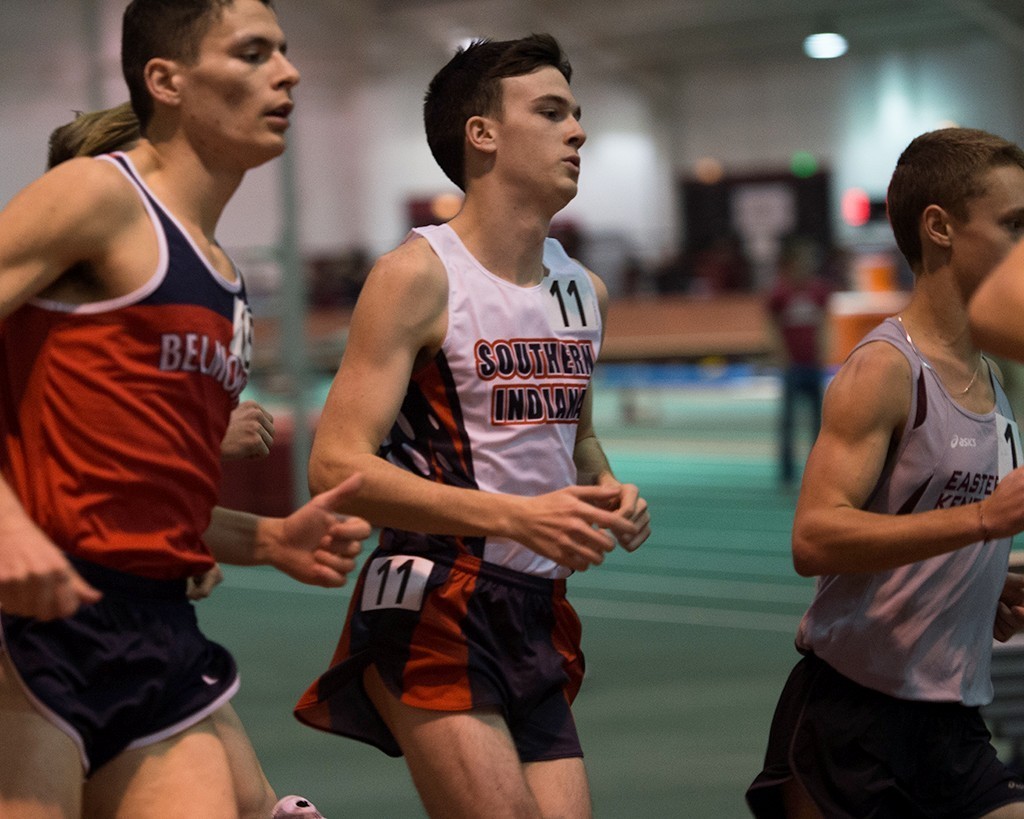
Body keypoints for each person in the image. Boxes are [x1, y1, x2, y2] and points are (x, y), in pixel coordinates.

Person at [0, 1, 372, 817]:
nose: (288, 71)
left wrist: (265, 537)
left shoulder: (223, 278)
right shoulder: (95, 198)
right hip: (28, 623)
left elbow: (129, 492)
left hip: (154, 628)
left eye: (284, 50)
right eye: (251, 53)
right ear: (165, 80)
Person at [293, 34, 651, 819]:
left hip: (534, 607)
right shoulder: (416, 276)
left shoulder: (581, 288)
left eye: (577, 113)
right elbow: (335, 466)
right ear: (481, 134)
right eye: (552, 112)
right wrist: (519, 515)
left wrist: (609, 489)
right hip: (433, 595)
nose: (578, 132)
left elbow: (577, 439)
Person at [746, 127, 1024, 818]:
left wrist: (980, 576)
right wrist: (985, 521)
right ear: (940, 228)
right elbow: (815, 536)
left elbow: (919, 521)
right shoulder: (885, 370)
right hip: (854, 721)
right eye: (1014, 224)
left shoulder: (994, 377)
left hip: (951, 723)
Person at [765, 233, 832, 486]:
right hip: (792, 366)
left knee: (820, 423)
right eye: (803, 260)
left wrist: (825, 351)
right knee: (788, 423)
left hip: (813, 364)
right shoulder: (780, 293)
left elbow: (825, 324)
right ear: (791, 262)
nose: (807, 265)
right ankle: (786, 473)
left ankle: (819, 472)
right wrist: (779, 354)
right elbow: (771, 326)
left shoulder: (818, 291)